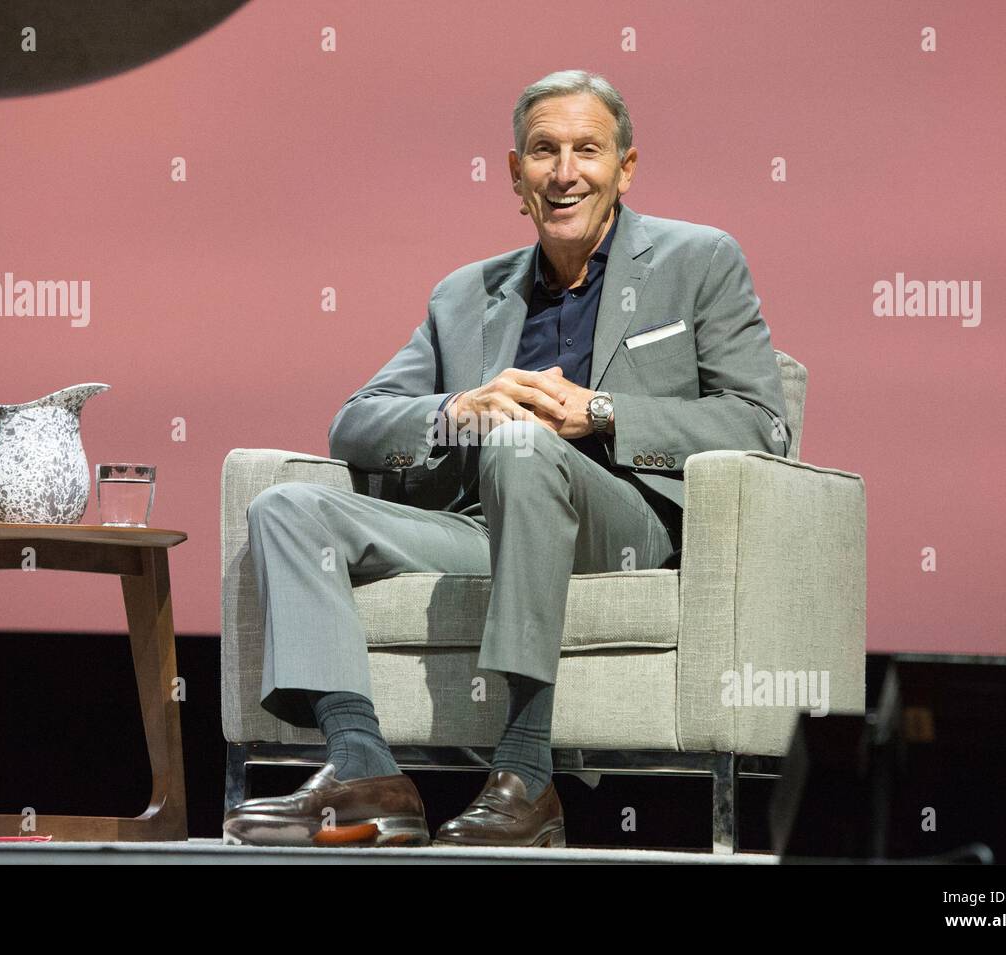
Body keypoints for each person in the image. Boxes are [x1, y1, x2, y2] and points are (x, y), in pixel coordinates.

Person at [223, 68, 790, 849]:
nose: (565, 172)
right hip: (482, 523)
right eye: (543, 152)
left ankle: (525, 770)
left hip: (619, 525)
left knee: (523, 449)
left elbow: (762, 424)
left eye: (586, 150)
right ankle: (364, 769)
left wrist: (602, 412)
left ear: (624, 167)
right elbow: (353, 423)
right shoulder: (466, 295)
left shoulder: (700, 260)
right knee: (285, 508)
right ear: (514, 176)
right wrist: (457, 411)